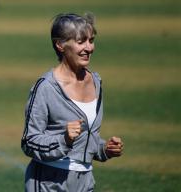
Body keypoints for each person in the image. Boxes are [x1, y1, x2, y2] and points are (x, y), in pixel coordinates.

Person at [21, 13, 124, 191]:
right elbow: (29, 142)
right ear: (60, 45)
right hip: (49, 181)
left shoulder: (96, 81)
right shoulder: (45, 88)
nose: (89, 48)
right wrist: (64, 139)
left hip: (84, 181)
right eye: (80, 41)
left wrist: (104, 149)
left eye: (91, 40)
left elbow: (87, 138)